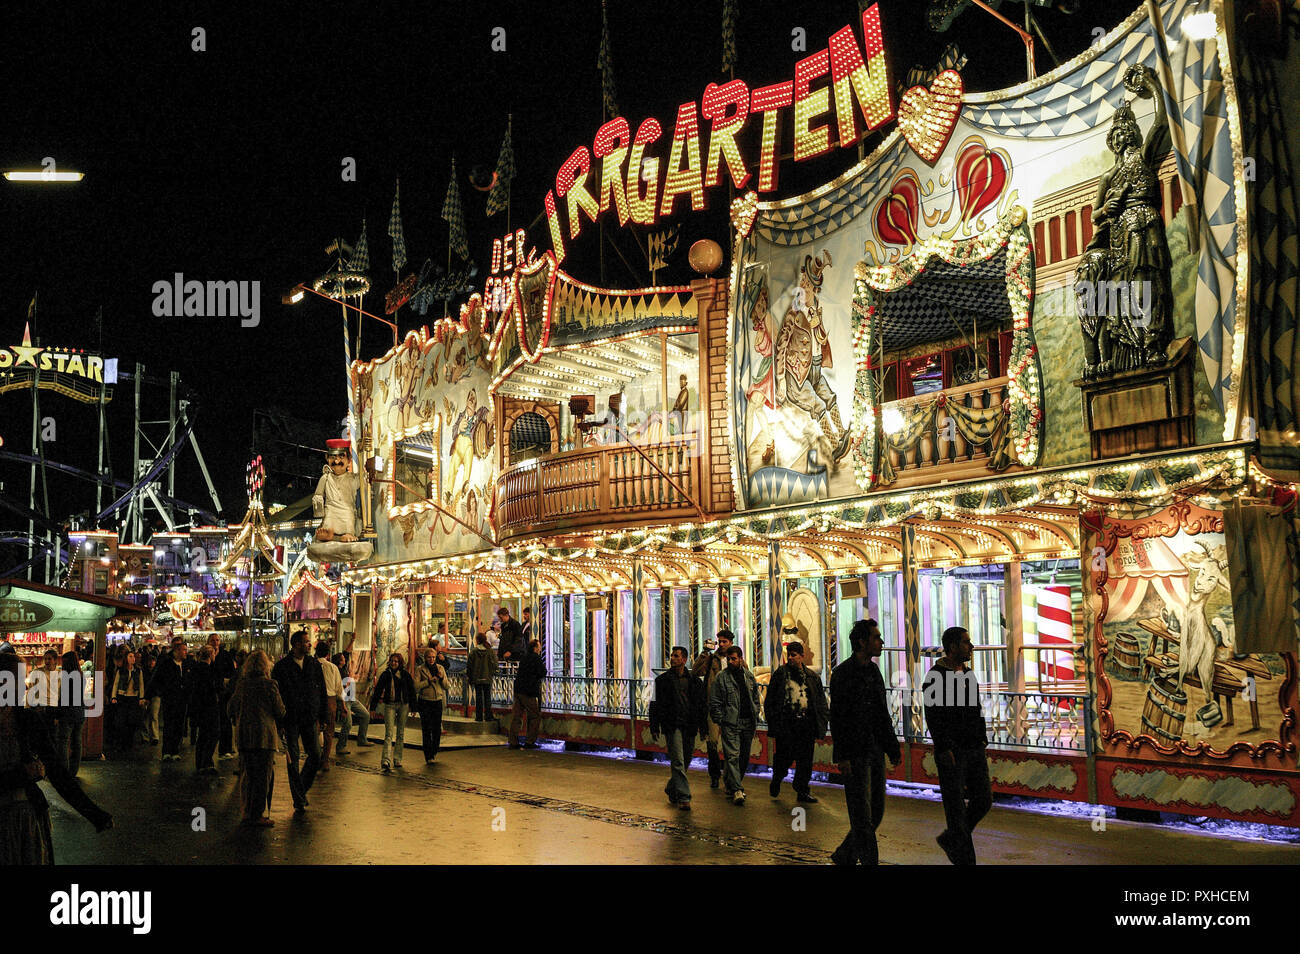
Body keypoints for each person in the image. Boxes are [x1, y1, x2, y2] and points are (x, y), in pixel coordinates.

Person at [0, 653, 113, 863]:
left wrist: (93, 813)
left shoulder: (27, 720)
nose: (24, 688)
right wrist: (22, 774)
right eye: (18, 679)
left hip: (25, 820)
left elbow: (57, 771)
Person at [829, 618, 902, 866]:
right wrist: (842, 757)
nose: (881, 642)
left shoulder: (873, 671)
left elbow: (881, 713)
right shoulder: (842, 675)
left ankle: (845, 855)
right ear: (862, 642)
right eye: (876, 637)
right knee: (861, 813)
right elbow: (838, 719)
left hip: (875, 748)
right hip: (855, 751)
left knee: (876, 812)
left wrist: (891, 747)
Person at [924, 626, 992, 865]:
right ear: (952, 647)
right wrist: (943, 747)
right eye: (966, 642)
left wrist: (982, 737)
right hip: (953, 751)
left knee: (983, 800)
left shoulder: (968, 674)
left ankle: (952, 839)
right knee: (955, 809)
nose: (971, 647)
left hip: (974, 747)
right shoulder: (936, 676)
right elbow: (933, 716)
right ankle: (965, 859)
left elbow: (975, 710)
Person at [271, 630, 328, 812]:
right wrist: (279, 721)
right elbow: (277, 695)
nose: (309, 645)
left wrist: (323, 714)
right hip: (291, 718)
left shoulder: (313, 664)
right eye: (305, 642)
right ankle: (298, 798)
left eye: (308, 642)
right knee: (292, 759)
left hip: (309, 716)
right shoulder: (282, 667)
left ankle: (301, 789)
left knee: (315, 755)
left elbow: (322, 690)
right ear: (295, 644)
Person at [766, 640, 829, 804]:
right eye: (789, 655)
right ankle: (778, 778)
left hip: (805, 725)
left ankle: (802, 789)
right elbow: (771, 701)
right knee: (783, 757)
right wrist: (773, 724)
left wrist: (821, 724)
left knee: (805, 761)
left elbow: (820, 702)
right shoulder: (781, 675)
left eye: (794, 655)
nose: (791, 659)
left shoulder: (812, 678)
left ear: (802, 656)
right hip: (786, 725)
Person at [228, 650, 285, 827]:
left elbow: (231, 708)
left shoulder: (242, 685)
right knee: (262, 776)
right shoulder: (270, 685)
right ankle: (258, 814)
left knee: (247, 775)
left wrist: (239, 718)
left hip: (245, 736)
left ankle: (246, 811)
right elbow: (280, 710)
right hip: (264, 737)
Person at [649, 646, 708, 811]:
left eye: (676, 656)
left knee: (686, 760)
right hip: (672, 725)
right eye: (672, 656)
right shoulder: (662, 681)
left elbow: (701, 706)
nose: (672, 659)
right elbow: (654, 704)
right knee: (678, 761)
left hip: (689, 725)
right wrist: (655, 726)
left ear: (684, 659)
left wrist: (703, 728)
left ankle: (671, 788)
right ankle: (684, 797)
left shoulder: (694, 682)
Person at [708, 644, 761, 805]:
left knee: (744, 757)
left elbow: (755, 697)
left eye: (734, 659)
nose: (731, 662)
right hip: (730, 723)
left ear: (740, 659)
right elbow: (715, 701)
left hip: (747, 723)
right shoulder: (722, 678)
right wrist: (721, 719)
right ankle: (738, 789)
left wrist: (756, 711)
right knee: (732, 756)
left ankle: (731, 784)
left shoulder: (748, 676)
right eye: (729, 659)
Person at [691, 631, 735, 788]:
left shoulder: (736, 659)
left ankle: (731, 777)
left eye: (724, 642)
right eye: (720, 641)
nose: (721, 644)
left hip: (731, 708)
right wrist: (704, 653)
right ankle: (715, 774)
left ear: (730, 642)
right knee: (712, 743)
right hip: (713, 706)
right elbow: (695, 672)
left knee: (730, 745)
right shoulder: (712, 659)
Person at [369, 652, 415, 773]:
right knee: (389, 733)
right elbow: (378, 690)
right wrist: (372, 708)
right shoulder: (385, 675)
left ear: (400, 663)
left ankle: (397, 759)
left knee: (400, 732)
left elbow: (411, 690)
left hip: (403, 705)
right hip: (390, 705)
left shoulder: (405, 675)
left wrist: (414, 707)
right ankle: (386, 760)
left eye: (396, 661)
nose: (394, 663)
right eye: (392, 661)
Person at [148, 637, 191, 762]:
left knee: (179, 726)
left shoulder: (187, 664)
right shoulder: (167, 664)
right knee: (169, 726)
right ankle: (167, 751)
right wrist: (149, 695)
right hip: (170, 699)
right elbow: (156, 679)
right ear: (177, 651)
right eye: (184, 650)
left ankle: (175, 750)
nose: (185, 653)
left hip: (182, 700)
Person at [53, 652, 87, 777]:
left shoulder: (67, 677)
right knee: (77, 742)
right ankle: (73, 770)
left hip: (68, 714)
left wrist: (57, 715)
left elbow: (64, 699)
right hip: (80, 712)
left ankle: (63, 771)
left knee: (62, 741)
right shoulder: (81, 675)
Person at [413, 648, 449, 764]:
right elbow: (416, 686)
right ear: (425, 658)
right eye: (429, 657)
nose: (431, 659)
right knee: (427, 729)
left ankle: (434, 750)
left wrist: (441, 678)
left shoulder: (440, 668)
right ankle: (428, 755)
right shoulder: (420, 669)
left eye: (433, 657)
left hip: (437, 700)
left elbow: (447, 686)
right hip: (425, 701)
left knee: (436, 728)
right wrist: (428, 681)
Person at [189, 646, 221, 775]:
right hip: (209, 707)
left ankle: (200, 762)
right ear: (211, 655)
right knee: (212, 734)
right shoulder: (208, 670)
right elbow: (211, 689)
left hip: (198, 707)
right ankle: (206, 762)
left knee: (202, 735)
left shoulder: (195, 669)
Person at [508, 638, 545, 749]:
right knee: (534, 716)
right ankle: (530, 741)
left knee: (517, 716)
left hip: (518, 689)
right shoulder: (536, 658)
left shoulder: (524, 657)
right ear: (535, 648)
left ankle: (513, 741)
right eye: (539, 646)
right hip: (528, 691)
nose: (540, 649)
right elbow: (542, 672)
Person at [109, 649, 147, 754]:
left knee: (132, 721)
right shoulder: (121, 671)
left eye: (133, 657)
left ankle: (128, 743)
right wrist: (113, 696)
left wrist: (141, 697)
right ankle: (121, 743)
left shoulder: (138, 671)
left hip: (133, 697)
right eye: (130, 656)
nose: (132, 659)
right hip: (122, 697)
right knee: (121, 721)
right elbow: (116, 684)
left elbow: (141, 684)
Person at [207, 633, 238, 761]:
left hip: (224, 693)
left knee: (225, 721)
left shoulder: (225, 656)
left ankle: (225, 749)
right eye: (213, 640)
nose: (215, 642)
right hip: (211, 693)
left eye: (217, 640)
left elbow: (232, 672)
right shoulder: (205, 654)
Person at [334, 652, 372, 752]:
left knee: (365, 715)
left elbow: (346, 652)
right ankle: (341, 746)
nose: (345, 660)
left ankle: (362, 739)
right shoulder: (337, 670)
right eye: (342, 659)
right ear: (339, 661)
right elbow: (340, 687)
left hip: (351, 698)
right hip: (345, 700)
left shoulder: (343, 669)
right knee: (348, 723)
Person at [316, 643, 342, 771]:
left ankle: (315, 757)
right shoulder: (333, 668)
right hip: (330, 700)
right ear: (328, 654)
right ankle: (325, 760)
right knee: (329, 731)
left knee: (314, 729)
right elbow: (339, 689)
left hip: (315, 700)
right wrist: (342, 705)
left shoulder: (311, 666)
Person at [467, 631, 497, 722]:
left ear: (477, 640)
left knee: (479, 698)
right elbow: (495, 664)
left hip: (477, 678)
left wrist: (470, 677)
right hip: (487, 678)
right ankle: (488, 716)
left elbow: (469, 666)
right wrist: (491, 673)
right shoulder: (490, 651)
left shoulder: (473, 652)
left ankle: (479, 717)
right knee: (487, 697)